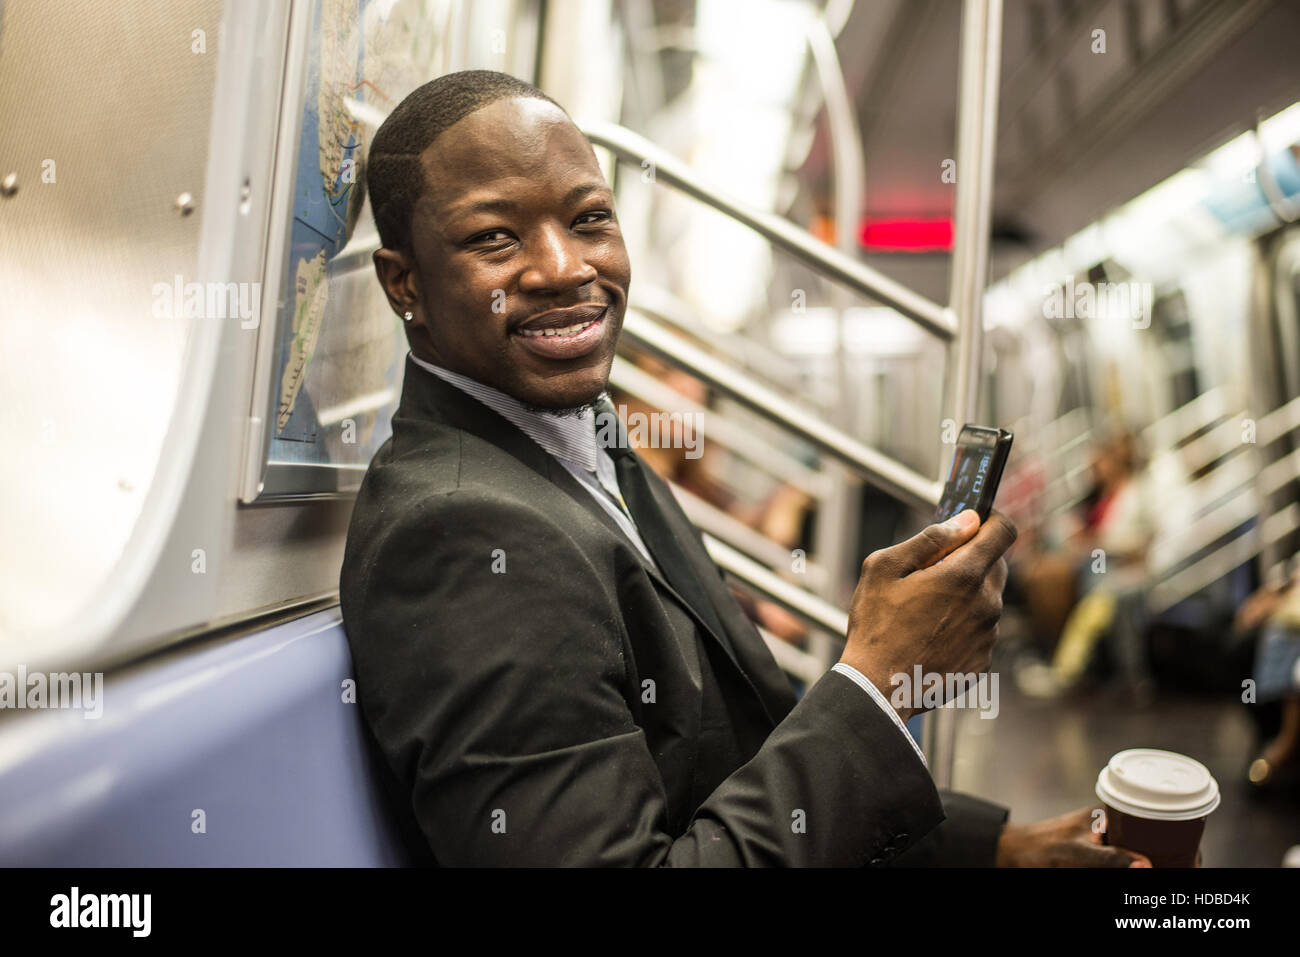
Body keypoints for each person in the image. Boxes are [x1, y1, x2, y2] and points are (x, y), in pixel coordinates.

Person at [339, 70, 1149, 867]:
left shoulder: (577, 435)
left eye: (590, 219)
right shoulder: (463, 535)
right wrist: (877, 681)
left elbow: (725, 756)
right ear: (403, 282)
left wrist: (992, 846)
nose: (564, 267)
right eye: (495, 237)